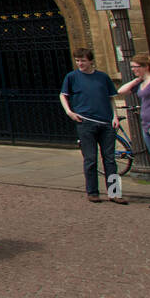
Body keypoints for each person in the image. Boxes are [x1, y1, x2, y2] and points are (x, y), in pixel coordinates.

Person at [60, 48, 127, 204]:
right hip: (85, 122)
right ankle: (92, 192)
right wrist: (69, 112)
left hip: (106, 123)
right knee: (90, 159)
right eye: (77, 61)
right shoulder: (72, 77)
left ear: (91, 61)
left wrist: (115, 116)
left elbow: (111, 98)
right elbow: (63, 95)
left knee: (110, 159)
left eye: (83, 60)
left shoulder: (102, 77)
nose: (80, 64)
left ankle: (114, 193)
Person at [119, 53, 150, 209]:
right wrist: (136, 80)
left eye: (135, 67)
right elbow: (121, 90)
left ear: (145, 66)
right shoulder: (141, 83)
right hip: (146, 126)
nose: (133, 69)